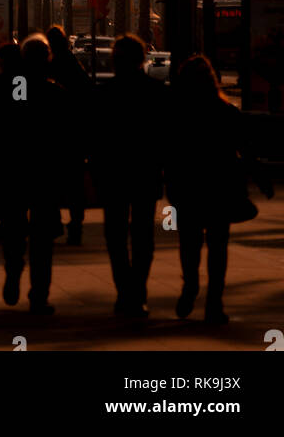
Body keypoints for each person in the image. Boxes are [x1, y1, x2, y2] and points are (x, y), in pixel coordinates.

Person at [167, 55, 273, 325]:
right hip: (221, 187)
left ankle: (190, 286)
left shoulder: (178, 114)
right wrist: (261, 180)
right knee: (218, 245)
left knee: (189, 242)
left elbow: (168, 151)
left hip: (189, 186)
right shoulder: (226, 112)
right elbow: (246, 150)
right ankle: (214, 301)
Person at [91, 33, 169, 320]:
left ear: (114, 60)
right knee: (142, 235)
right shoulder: (157, 92)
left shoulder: (103, 94)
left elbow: (93, 138)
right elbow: (166, 137)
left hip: (113, 173)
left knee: (115, 234)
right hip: (145, 172)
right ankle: (138, 291)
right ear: (143, 60)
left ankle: (125, 291)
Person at [0, 33, 71, 315]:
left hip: (15, 170)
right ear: (48, 58)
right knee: (42, 240)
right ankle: (39, 294)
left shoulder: (10, 86)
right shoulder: (55, 94)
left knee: (14, 229)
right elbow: (65, 138)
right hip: (44, 173)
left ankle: (13, 272)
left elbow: (1, 125)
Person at [46, 24, 90, 246]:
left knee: (51, 182)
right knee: (74, 184)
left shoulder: (50, 67)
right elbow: (87, 94)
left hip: (54, 136)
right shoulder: (73, 63)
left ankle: (53, 223)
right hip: (73, 134)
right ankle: (76, 225)